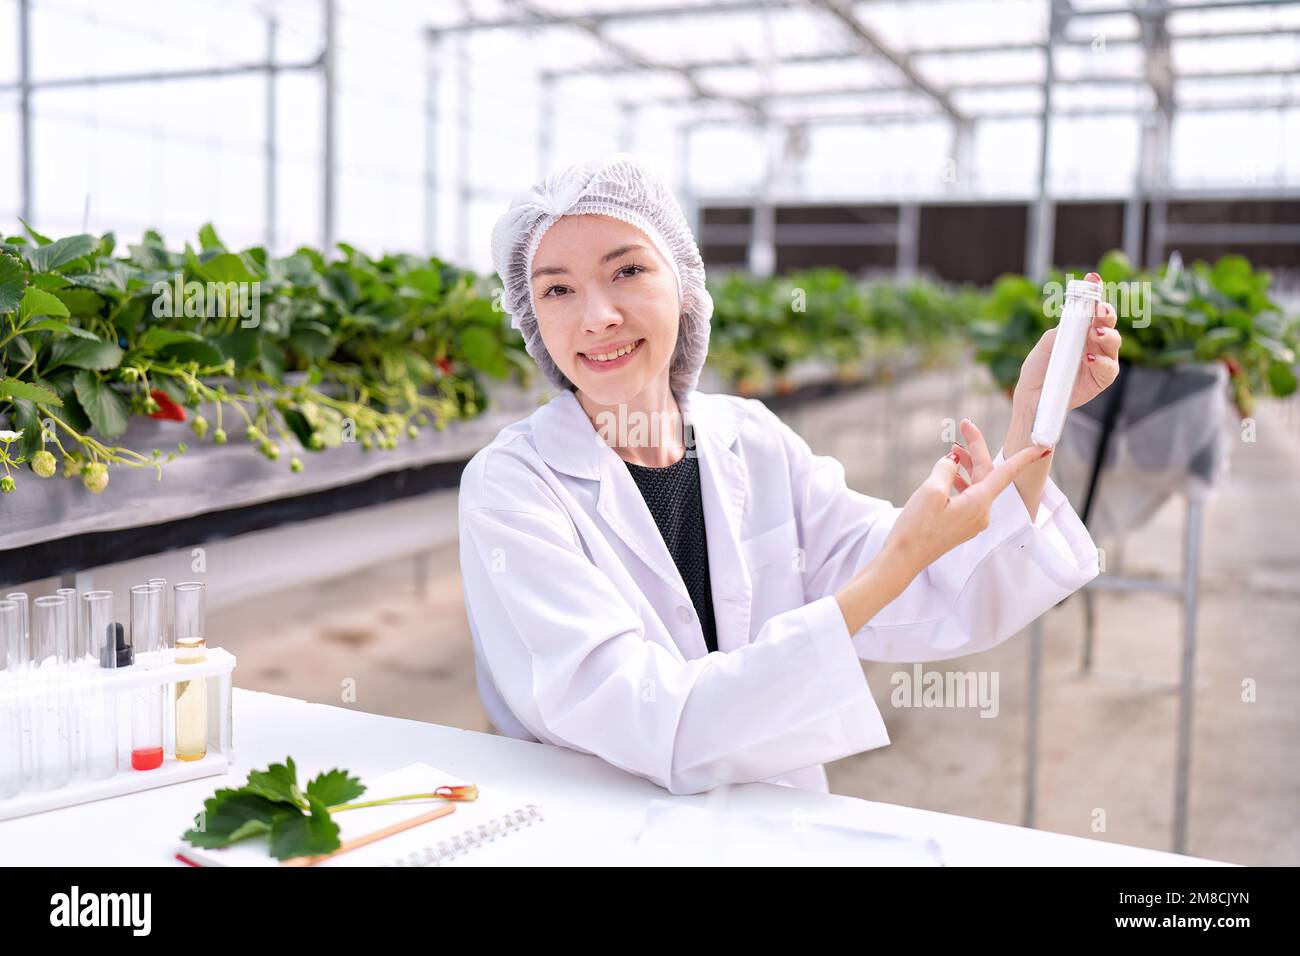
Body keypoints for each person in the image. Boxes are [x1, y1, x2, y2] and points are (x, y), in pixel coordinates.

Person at [457, 152, 1120, 795]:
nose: (597, 315)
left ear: (684, 285)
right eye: (558, 289)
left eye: (626, 271)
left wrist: (1034, 419)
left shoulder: (751, 440)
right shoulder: (511, 489)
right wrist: (892, 567)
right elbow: (655, 724)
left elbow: (945, 592)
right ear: (532, 317)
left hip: (768, 824)